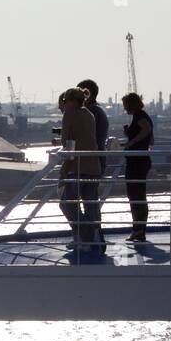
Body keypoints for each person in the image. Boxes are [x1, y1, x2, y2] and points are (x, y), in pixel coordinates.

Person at [58, 87, 103, 256]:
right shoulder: (89, 114)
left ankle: (87, 236)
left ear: (72, 101)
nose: (63, 105)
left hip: (78, 166)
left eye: (65, 101)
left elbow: (68, 141)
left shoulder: (70, 115)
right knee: (89, 206)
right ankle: (90, 238)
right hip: (94, 166)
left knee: (67, 203)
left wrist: (65, 167)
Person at [78, 79, 110, 247]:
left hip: (90, 161)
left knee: (88, 199)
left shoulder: (90, 112)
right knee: (91, 199)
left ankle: (92, 236)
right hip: (98, 160)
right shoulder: (99, 111)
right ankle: (95, 234)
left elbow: (85, 135)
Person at [120, 92, 154, 241]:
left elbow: (146, 130)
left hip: (137, 162)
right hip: (140, 160)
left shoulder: (140, 116)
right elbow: (150, 139)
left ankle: (138, 229)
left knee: (135, 195)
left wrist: (131, 142)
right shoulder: (141, 116)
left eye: (125, 105)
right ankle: (139, 229)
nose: (124, 108)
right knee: (138, 195)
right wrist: (130, 134)